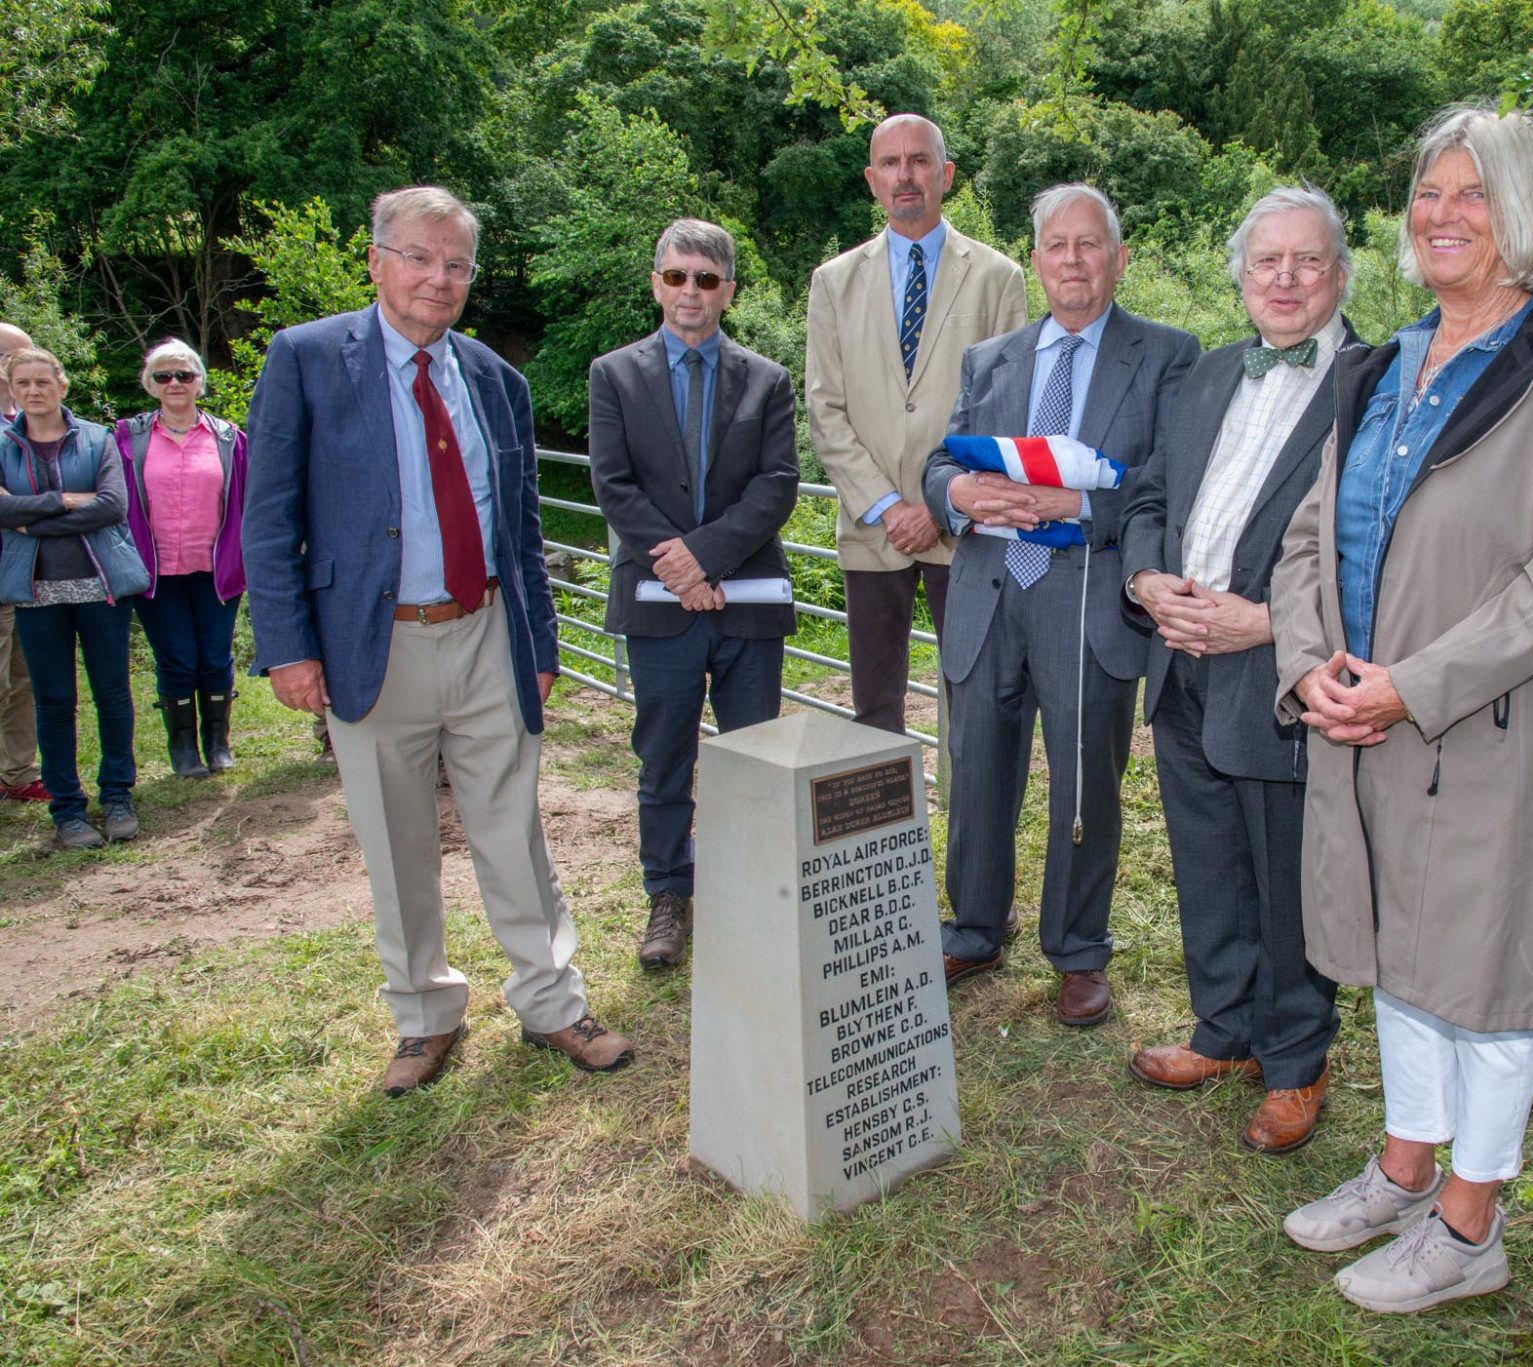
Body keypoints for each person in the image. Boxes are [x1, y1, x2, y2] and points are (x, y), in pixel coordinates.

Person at [1269, 105, 1533, 1312]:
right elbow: (1306, 539)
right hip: (1363, 718)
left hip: (1489, 727)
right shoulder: (1379, 365)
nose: (1440, 215)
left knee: (1485, 975)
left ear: (1522, 211)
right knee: (1400, 953)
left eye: (1471, 193)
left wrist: (1412, 685)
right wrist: (1309, 665)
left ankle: (1470, 1223)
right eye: (1427, 192)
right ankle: (1402, 1169)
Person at [242, 185, 633, 1096]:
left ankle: (552, 1002)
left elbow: (521, 525)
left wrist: (540, 643)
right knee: (396, 838)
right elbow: (268, 515)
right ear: (376, 261)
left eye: (457, 264)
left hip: (488, 631)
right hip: (373, 642)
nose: (438, 278)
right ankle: (424, 1015)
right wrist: (288, 645)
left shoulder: (496, 380)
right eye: (418, 257)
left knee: (514, 831)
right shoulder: (307, 360)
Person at [922, 184, 1197, 1027]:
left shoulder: (1167, 355)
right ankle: (975, 927)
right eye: (1056, 245)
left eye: (1089, 244)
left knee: (1085, 783)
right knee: (975, 769)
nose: (1072, 260)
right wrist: (958, 491)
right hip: (988, 590)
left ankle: (1078, 949)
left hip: (1088, 596)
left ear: (1118, 257)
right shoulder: (990, 358)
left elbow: (1170, 483)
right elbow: (939, 463)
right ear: (1035, 259)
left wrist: (1076, 504)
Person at [1119, 185, 1355, 1154]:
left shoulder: (1372, 385)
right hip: (1180, 661)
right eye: (1266, 260)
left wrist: (1269, 624)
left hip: (1282, 672)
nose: (1285, 278)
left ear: (1339, 274)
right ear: (1242, 276)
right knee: (1208, 860)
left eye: (1307, 260)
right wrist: (1144, 580)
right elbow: (1148, 495)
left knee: (1287, 874)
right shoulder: (1208, 373)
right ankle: (1224, 1031)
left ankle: (1296, 1060)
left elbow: (1379, 546)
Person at [588, 218, 798, 970]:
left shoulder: (768, 380)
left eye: (706, 279)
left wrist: (703, 559)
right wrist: (679, 569)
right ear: (657, 283)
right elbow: (613, 483)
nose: (690, 291)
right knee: (664, 757)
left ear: (728, 291)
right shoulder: (614, 375)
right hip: (657, 605)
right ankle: (669, 893)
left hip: (747, 601)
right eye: (677, 276)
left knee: (754, 759)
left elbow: (777, 485)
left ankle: (751, 895)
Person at [807, 113, 1027, 735]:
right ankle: (887, 807)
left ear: (946, 174)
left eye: (920, 160)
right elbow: (825, 409)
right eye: (891, 163)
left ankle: (970, 805)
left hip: (966, 528)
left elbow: (1005, 410)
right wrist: (887, 505)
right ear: (872, 179)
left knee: (976, 703)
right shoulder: (833, 283)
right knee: (874, 710)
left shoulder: (997, 278)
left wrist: (938, 503)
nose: (905, 175)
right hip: (872, 527)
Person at [0, 347, 150, 849]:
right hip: (35, 592)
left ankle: (117, 795)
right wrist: (63, 500)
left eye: (43, 381)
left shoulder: (95, 438)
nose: (34, 391)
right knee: (54, 702)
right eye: (23, 383)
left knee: (112, 694)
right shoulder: (3, 446)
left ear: (62, 385)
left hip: (100, 587)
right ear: (12, 389)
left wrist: (28, 517)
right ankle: (67, 808)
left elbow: (112, 506)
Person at [114, 339, 248, 779]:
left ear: (199, 382)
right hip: (156, 571)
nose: (175, 383)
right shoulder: (128, 439)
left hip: (216, 570)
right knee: (176, 657)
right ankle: (184, 749)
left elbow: (248, 501)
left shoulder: (229, 439)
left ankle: (218, 742)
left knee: (215, 655)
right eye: (164, 375)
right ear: (150, 383)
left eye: (184, 375)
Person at [0, 322, 50, 804]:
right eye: (16, 356)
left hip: (32, 574)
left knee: (24, 680)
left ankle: (18, 773)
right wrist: (57, 505)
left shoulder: (33, 424)